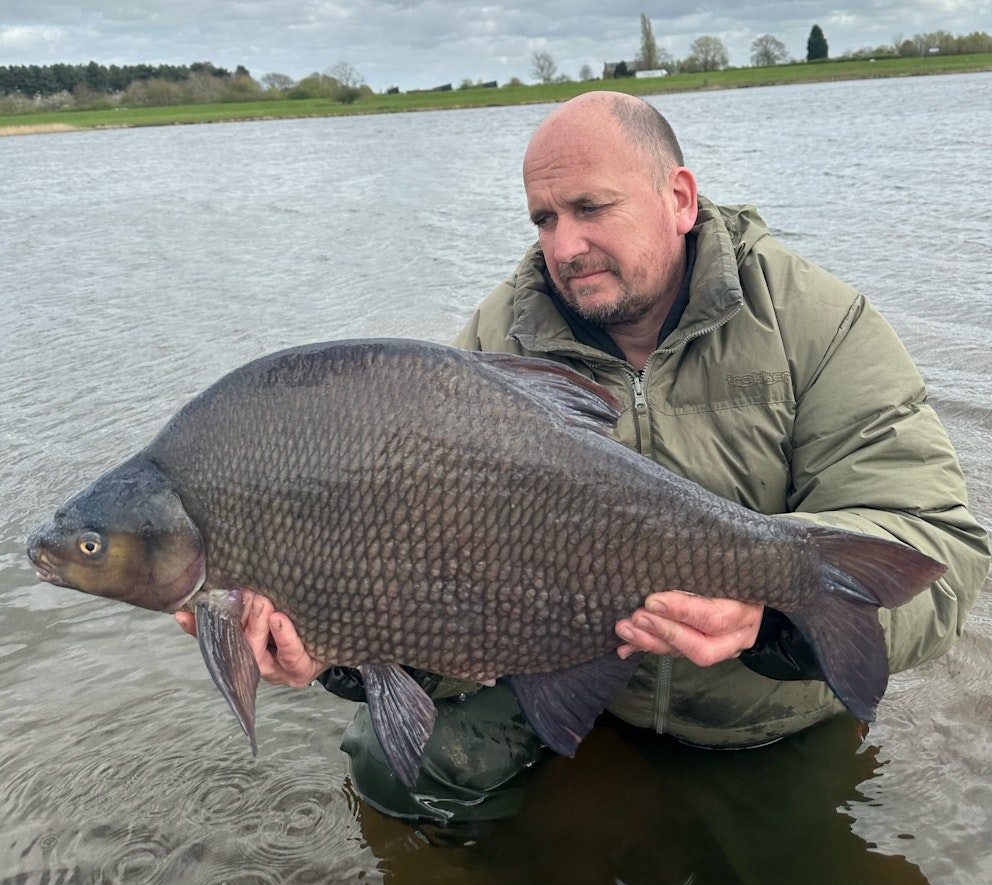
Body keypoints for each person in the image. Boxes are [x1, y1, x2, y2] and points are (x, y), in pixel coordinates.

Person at [176, 91, 990, 830]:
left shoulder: (815, 322)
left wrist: (768, 619)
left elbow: (943, 550)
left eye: (591, 208)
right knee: (393, 766)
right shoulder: (492, 344)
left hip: (763, 704)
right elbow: (428, 584)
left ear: (679, 198)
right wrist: (335, 647)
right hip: (573, 679)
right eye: (544, 218)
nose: (565, 245)